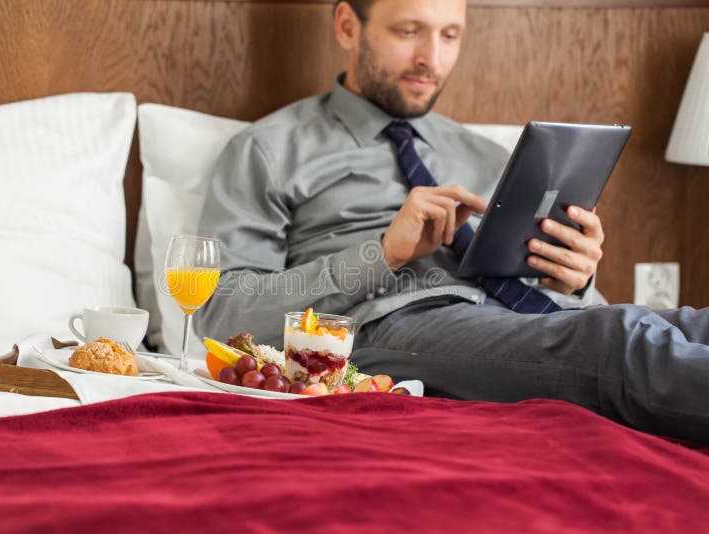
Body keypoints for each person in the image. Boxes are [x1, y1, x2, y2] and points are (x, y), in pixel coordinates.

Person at [194, 0, 709, 442]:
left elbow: (573, 311)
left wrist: (573, 277)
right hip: (391, 323)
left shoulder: (489, 154)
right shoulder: (267, 150)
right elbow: (218, 314)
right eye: (408, 31)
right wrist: (382, 254)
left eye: (449, 35)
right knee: (619, 340)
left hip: (517, 321)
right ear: (349, 26)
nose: (431, 59)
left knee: (690, 324)